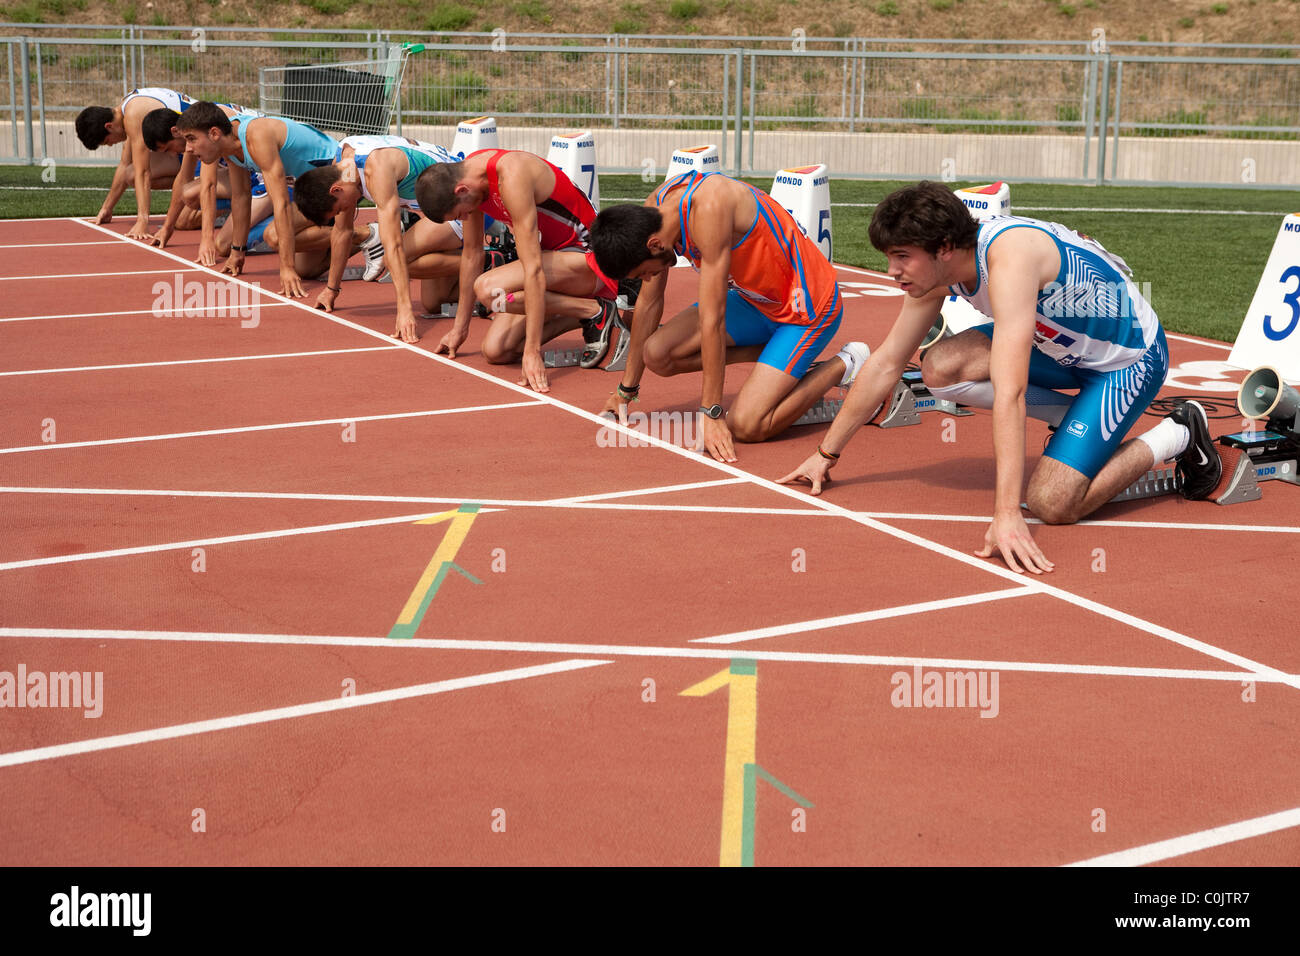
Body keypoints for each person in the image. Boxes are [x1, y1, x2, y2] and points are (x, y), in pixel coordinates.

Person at [778, 180, 1220, 574]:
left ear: (944, 247)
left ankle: (1179, 432)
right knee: (939, 367)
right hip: (1060, 349)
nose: (892, 271)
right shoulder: (935, 273)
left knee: (1052, 503)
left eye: (901, 257)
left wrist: (1006, 512)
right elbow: (888, 361)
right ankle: (1080, 425)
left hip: (1127, 361)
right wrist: (825, 453)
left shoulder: (1009, 260)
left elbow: (1011, 392)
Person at [588, 170, 867, 463]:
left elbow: (713, 319)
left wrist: (712, 412)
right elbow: (648, 302)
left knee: (747, 425)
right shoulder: (652, 212)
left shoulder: (710, 207)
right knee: (656, 354)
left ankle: (846, 363)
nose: (648, 278)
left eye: (644, 271)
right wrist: (626, 391)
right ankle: (777, 359)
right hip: (756, 301)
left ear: (654, 245)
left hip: (807, 308)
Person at [415, 149, 623, 390]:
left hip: (592, 258)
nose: (465, 218)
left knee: (489, 290)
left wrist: (532, 351)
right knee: (497, 350)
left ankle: (596, 309)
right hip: (557, 263)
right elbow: (472, 255)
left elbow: (533, 269)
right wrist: (459, 330)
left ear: (461, 190)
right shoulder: (472, 186)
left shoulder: (511, 176)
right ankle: (593, 311)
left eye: (461, 213)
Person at [293, 134, 467, 344]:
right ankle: (486, 262)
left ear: (336, 190)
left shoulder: (376, 171)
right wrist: (332, 289)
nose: (346, 210)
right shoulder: (343, 163)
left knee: (396, 260)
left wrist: (404, 311)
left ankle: (477, 261)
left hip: (462, 204)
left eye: (341, 207)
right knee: (433, 303)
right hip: (438, 209)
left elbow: (393, 244)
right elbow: (342, 231)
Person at [174, 102, 350, 297]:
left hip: (337, 176)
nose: (188, 149)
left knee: (273, 236)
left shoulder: (256, 136)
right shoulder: (230, 145)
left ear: (214, 133)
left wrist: (286, 267)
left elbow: (281, 203)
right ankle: (366, 236)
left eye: (191, 139)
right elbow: (241, 197)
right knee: (307, 269)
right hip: (308, 188)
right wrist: (237, 251)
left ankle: (349, 233)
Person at [76, 88, 199, 242]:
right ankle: (197, 184)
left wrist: (143, 220)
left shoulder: (134, 115)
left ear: (109, 126)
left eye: (107, 142)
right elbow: (124, 164)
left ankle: (220, 206)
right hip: (184, 147)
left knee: (183, 220)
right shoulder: (126, 109)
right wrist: (107, 208)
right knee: (130, 174)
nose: (111, 145)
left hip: (200, 144)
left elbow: (144, 172)